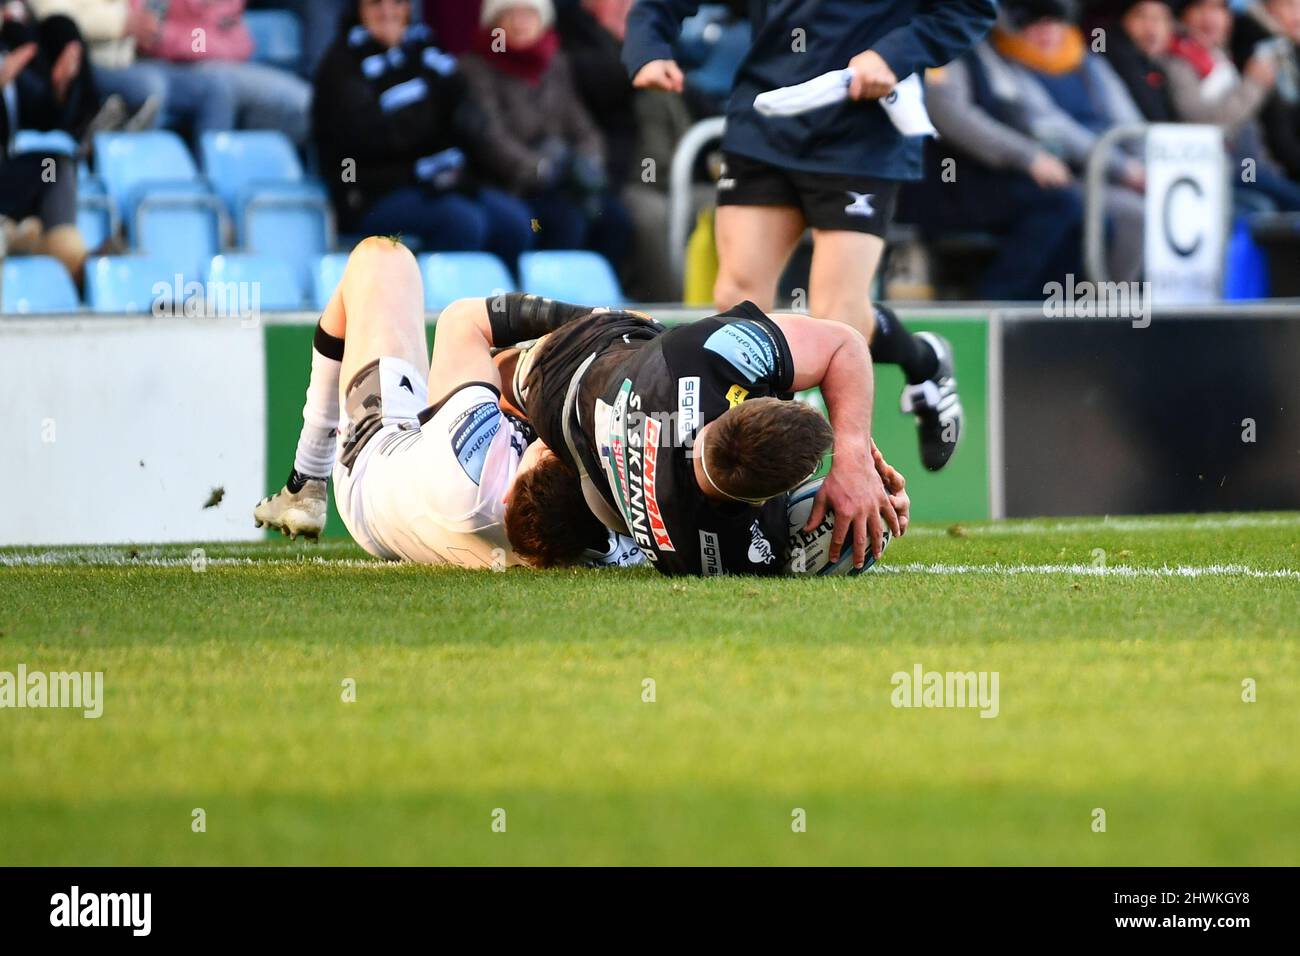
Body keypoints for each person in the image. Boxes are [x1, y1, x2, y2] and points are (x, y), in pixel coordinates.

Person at [623, 0, 998, 472]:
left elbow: (972, 9)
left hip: (861, 133)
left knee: (837, 315)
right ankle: (760, 468)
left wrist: (896, 53)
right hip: (765, 121)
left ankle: (916, 369)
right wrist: (649, 46)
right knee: (737, 299)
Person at [253, 236, 641, 570]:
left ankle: (307, 479)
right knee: (515, 373)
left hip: (375, 470)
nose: (550, 440)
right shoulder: (619, 534)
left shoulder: (472, 464)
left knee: (382, 259)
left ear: (509, 494)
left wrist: (597, 322)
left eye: (544, 447)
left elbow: (461, 322)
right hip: (434, 508)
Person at [500, 293, 911, 575]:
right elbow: (846, 344)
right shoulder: (705, 555)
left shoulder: (703, 357)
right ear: (761, 500)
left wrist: (853, 461)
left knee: (496, 354)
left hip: (564, 370)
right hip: (578, 393)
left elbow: (843, 343)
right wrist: (867, 479)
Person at [312, 0, 534, 263]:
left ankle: (497, 300)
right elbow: (370, 140)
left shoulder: (425, 49)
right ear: (359, 9)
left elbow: (464, 113)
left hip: (441, 182)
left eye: (397, 2)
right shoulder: (341, 64)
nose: (387, 11)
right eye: (375, 3)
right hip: (371, 193)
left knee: (517, 222)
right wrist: (432, 114)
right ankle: (435, 300)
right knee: (462, 222)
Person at [460, 0, 633, 271]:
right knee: (563, 221)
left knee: (613, 219)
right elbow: (488, 136)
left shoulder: (555, 64)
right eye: (511, 15)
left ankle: (601, 300)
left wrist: (588, 163)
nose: (520, 23)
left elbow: (582, 127)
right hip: (508, 185)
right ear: (495, 24)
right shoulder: (476, 68)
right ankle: (545, 304)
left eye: (528, 15)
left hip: (559, 179)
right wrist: (539, 169)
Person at [1164, 0, 1300, 211]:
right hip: (1218, 172)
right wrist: (1254, 84)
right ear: (1183, 17)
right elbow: (1204, 124)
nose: (1210, 19)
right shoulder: (1176, 61)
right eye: (1200, 8)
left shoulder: (1220, 57)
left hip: (1253, 170)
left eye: (1218, 9)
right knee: (1266, 207)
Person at [135, 0, 311, 144]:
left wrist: (202, 42)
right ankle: (212, 176)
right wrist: (205, 41)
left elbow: (240, 43)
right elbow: (150, 33)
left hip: (226, 66)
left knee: (306, 101)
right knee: (218, 86)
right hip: (166, 67)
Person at [0, 4, 90, 281]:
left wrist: (58, 88)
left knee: (54, 166)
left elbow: (44, 120)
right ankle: (21, 240)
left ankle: (64, 250)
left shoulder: (11, 52)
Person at [1229, 0, 1300, 182]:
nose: (1297, 14)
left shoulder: (1288, 44)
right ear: (1268, 7)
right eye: (1288, 5)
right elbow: (1276, 122)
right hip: (1252, 160)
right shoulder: (1254, 40)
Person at [1104, 0, 1178, 121]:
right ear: (1124, 21)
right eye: (1142, 16)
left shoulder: (1168, 63)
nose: (1150, 27)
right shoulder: (1114, 55)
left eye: (1159, 19)